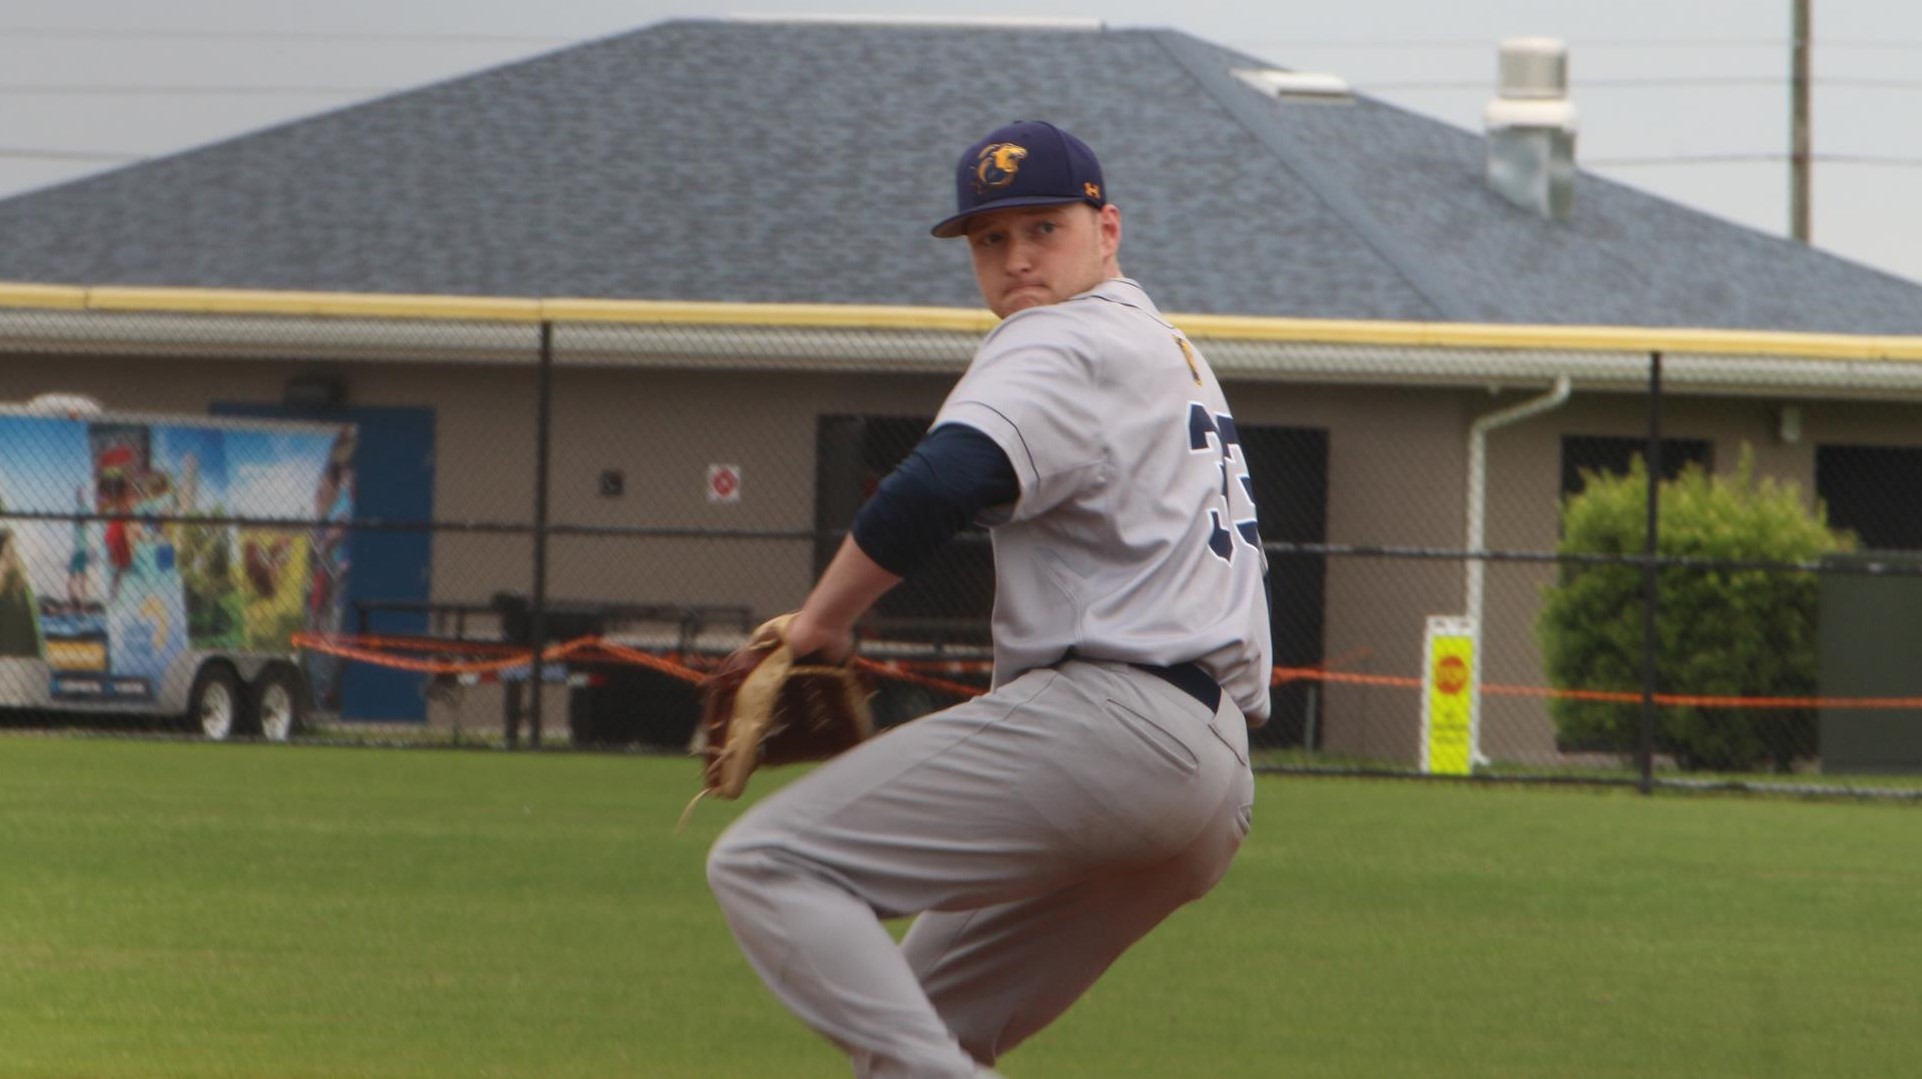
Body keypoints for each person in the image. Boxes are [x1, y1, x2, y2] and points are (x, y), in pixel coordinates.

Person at [707, 119, 1272, 1079]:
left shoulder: (1057, 336)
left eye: (1042, 228)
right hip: (1211, 781)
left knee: (768, 862)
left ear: (1108, 229)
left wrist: (821, 626)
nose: (1016, 259)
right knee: (912, 1034)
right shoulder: (1167, 348)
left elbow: (936, 484)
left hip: (1114, 727)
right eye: (988, 239)